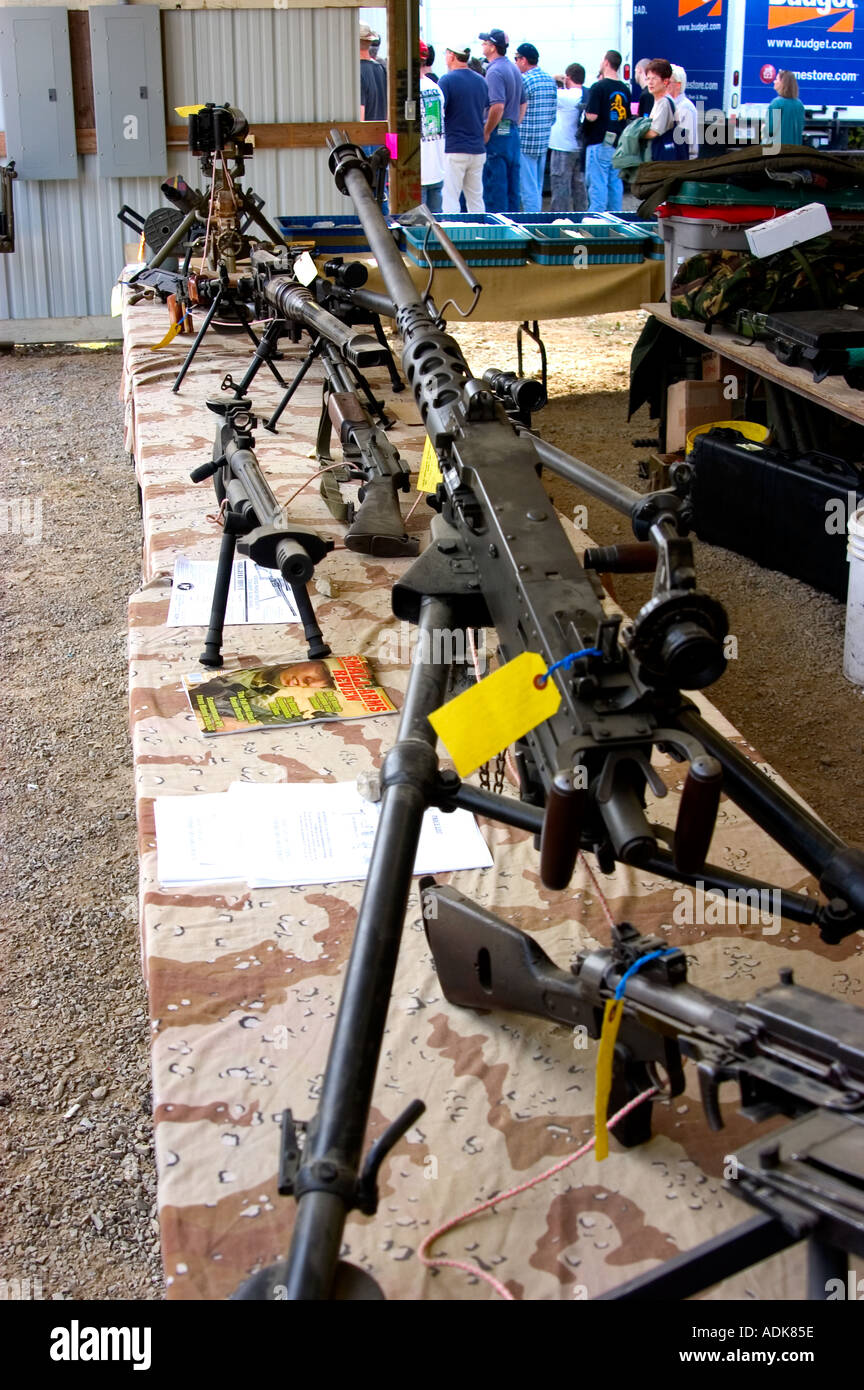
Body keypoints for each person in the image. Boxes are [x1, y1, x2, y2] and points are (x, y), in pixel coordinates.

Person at [478, 28, 526, 213]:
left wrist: (487, 132)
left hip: (497, 136)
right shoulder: (513, 68)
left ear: (492, 47)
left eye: (484, 43)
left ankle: (497, 237)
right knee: (512, 190)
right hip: (512, 134)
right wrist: (515, 123)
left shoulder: (494, 71)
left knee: (495, 191)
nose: (482, 46)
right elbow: (523, 102)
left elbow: (497, 106)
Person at [438, 43, 489, 213]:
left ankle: (452, 236)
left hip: (454, 147)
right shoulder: (481, 80)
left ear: (452, 55)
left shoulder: (447, 81)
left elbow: (440, 112)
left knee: (450, 198)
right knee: (476, 199)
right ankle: (481, 236)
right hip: (477, 148)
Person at [582, 49, 631, 213]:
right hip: (618, 143)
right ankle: (615, 219)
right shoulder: (625, 89)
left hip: (599, 141)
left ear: (606, 62)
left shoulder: (598, 87)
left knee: (597, 185)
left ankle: (596, 223)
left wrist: (584, 113)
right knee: (615, 184)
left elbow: (591, 116)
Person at [514, 43, 558, 215]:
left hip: (525, 141)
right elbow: (553, 115)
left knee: (528, 188)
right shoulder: (550, 80)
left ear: (524, 60)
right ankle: (537, 215)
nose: (516, 63)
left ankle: (532, 222)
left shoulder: (525, 80)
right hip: (543, 139)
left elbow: (517, 110)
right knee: (537, 186)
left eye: (517, 59)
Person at [547, 63, 587, 212]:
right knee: (580, 188)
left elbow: (546, 90)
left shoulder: (564, 96)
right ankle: (581, 218)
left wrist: (553, 78)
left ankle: (559, 220)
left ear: (568, 78)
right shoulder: (585, 94)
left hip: (562, 147)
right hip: (580, 147)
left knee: (560, 188)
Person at [644, 58, 688, 162]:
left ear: (665, 81)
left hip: (663, 159)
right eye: (648, 78)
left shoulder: (664, 102)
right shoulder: (661, 101)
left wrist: (635, 133)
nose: (650, 82)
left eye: (654, 79)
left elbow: (654, 132)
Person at [419, 41, 445, 213]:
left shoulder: (403, 90)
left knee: (414, 231)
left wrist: (393, 159)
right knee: (436, 229)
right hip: (436, 168)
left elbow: (394, 131)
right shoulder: (436, 89)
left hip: (415, 174)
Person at [765, 70, 806, 148]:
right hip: (794, 151)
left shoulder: (776, 104)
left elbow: (770, 131)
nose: (774, 82)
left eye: (776, 79)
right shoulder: (799, 105)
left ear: (783, 83)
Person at [670, 64, 699, 160]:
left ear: (678, 85)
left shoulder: (685, 108)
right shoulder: (670, 104)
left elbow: (687, 144)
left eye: (668, 82)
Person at [359, 23, 386, 122]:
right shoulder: (381, 69)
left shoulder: (357, 73)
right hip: (381, 134)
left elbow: (360, 120)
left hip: (365, 136)